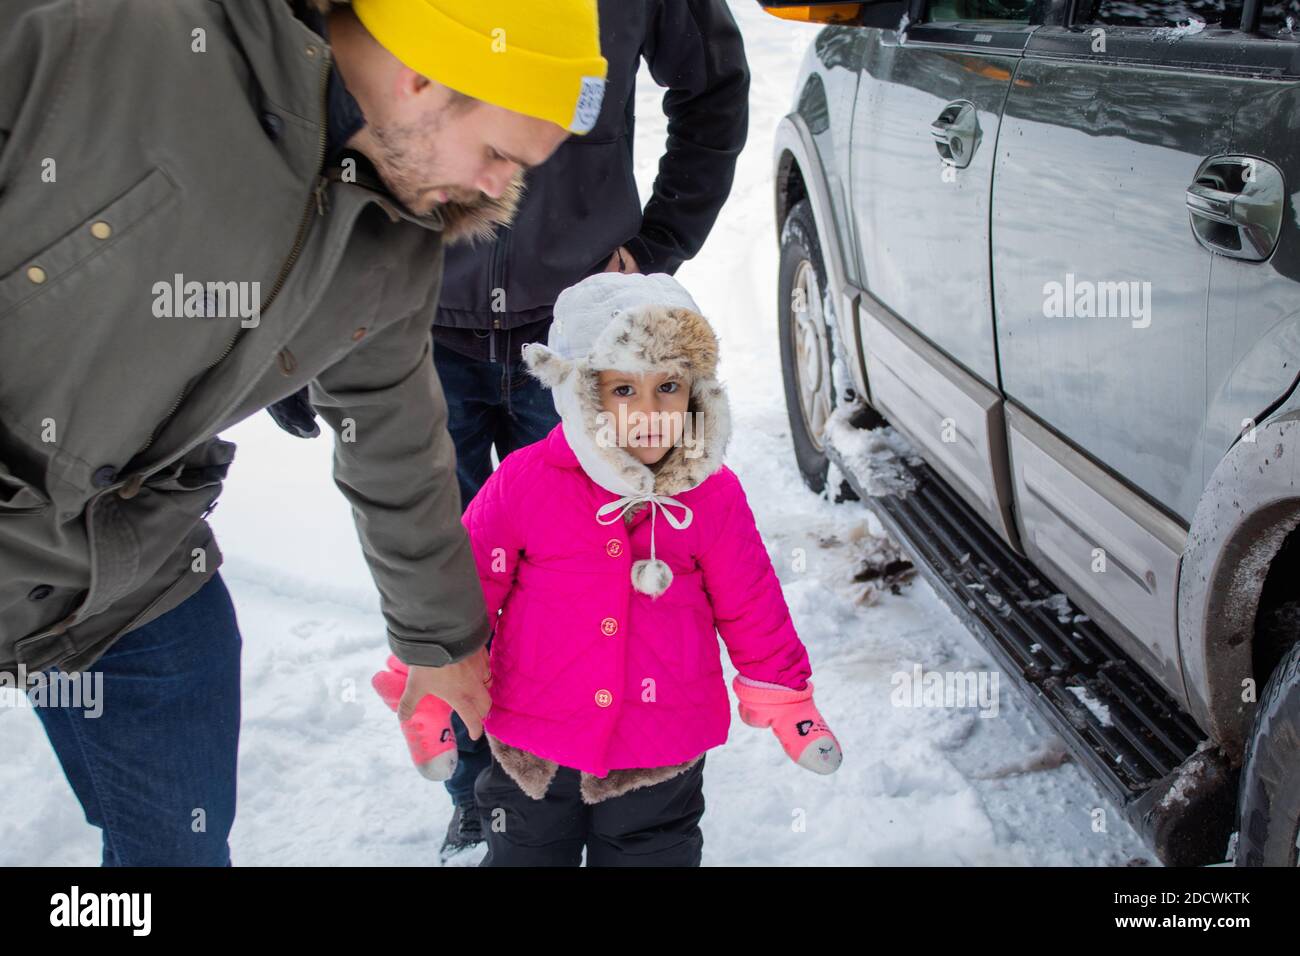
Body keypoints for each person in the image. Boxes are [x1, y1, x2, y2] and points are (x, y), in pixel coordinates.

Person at [0, 0, 607, 865]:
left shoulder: (393, 236)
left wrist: (442, 641)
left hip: (134, 569)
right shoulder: (111, 36)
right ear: (423, 72)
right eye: (499, 155)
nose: (497, 191)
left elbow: (394, 433)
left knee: (175, 851)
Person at [269, 0, 751, 861]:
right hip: (415, 325)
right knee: (447, 582)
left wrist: (660, 241)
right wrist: (302, 316)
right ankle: (485, 800)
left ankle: (594, 792)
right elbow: (313, 106)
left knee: (574, 585)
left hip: (575, 346)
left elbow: (712, 88)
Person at [375, 272, 843, 866]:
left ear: (697, 393)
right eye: (624, 390)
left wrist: (784, 694)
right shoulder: (525, 481)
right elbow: (463, 587)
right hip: (533, 745)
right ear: (582, 393)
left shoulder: (714, 497)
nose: (648, 412)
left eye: (668, 386)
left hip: (660, 751)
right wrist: (428, 675)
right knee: (525, 855)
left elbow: (751, 602)